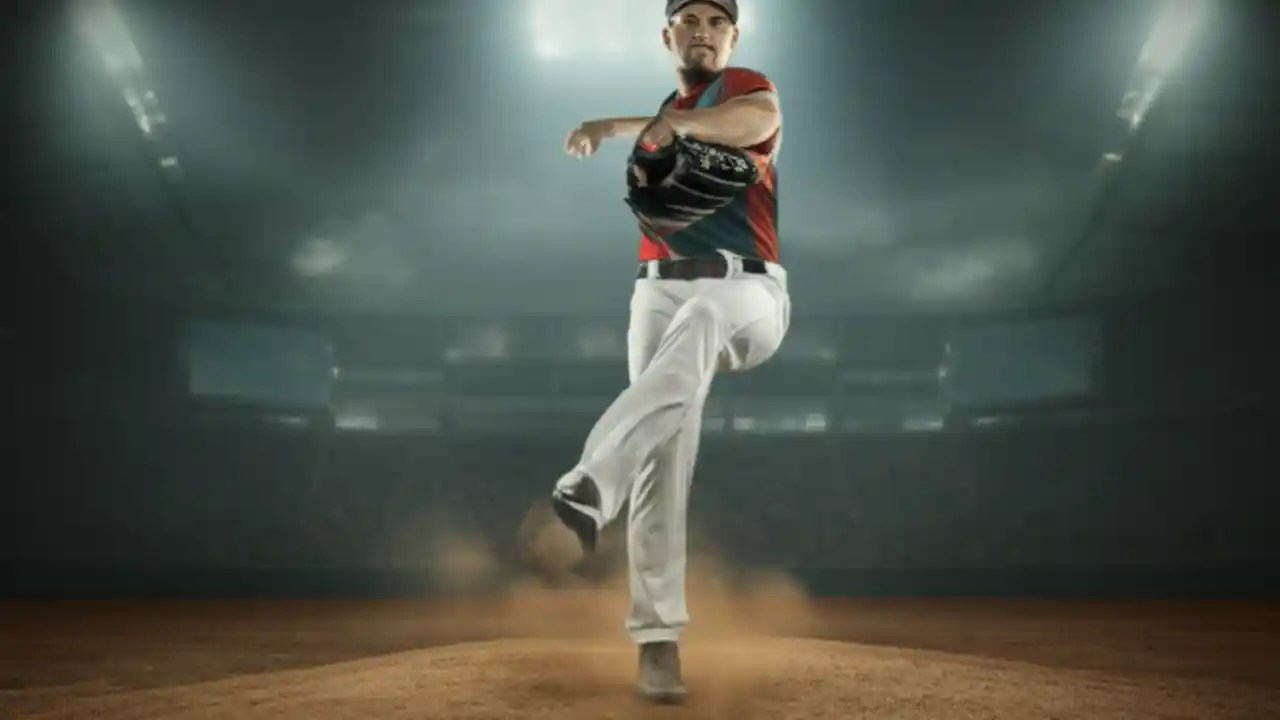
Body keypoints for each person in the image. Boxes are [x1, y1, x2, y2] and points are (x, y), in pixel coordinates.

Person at [553, 0, 788, 704]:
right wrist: (649, 137)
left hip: (747, 292)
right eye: (689, 19)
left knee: (707, 313)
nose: (704, 31)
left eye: (718, 21)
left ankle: (593, 480)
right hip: (653, 294)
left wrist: (620, 126)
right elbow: (654, 188)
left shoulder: (748, 87)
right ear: (666, 36)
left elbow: (749, 126)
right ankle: (658, 645)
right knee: (662, 458)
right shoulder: (662, 119)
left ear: (735, 36)